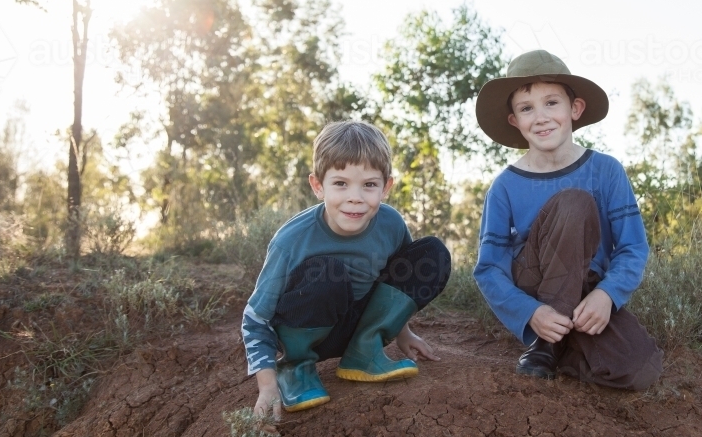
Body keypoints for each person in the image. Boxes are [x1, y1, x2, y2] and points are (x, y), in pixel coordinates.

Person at [472, 49, 663, 389]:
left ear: (575, 109)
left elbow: (633, 247)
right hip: (533, 284)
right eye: (527, 108)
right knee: (575, 204)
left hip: (587, 288)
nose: (541, 117)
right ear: (515, 120)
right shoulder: (504, 186)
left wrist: (606, 294)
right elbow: (489, 268)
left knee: (640, 370)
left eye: (551, 103)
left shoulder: (606, 171)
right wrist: (531, 313)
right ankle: (544, 339)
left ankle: (559, 346)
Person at [242, 120, 451, 418]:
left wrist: (404, 332)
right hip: (308, 330)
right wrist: (267, 385)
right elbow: (255, 318)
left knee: (432, 253)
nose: (355, 197)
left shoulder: (391, 224)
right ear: (318, 185)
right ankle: (296, 368)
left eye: (369, 185)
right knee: (328, 272)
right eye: (340, 183)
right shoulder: (291, 241)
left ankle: (364, 353)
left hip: (357, 325)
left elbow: (393, 282)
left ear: (386, 187)